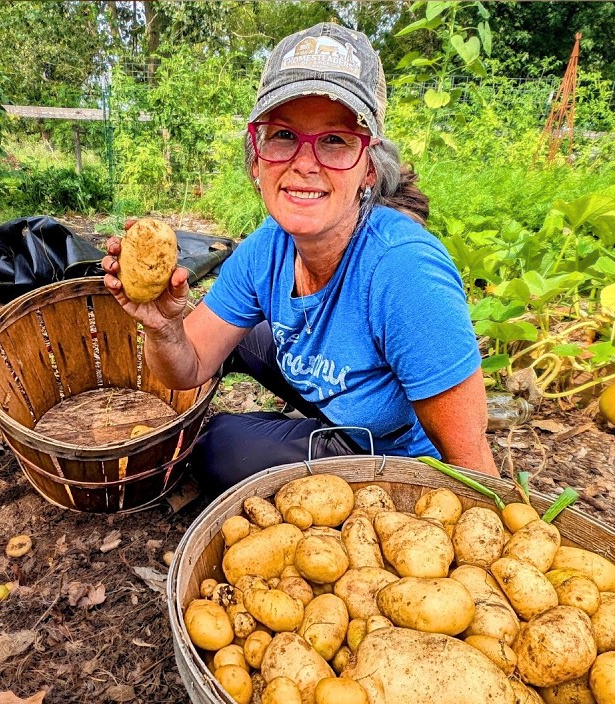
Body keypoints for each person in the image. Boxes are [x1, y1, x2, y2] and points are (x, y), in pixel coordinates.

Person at [101, 22, 497, 494]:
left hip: (389, 453)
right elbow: (185, 367)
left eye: (335, 140)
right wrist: (164, 326)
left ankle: (319, 441)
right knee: (243, 339)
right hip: (336, 396)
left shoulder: (405, 272)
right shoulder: (265, 249)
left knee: (215, 448)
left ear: (369, 168)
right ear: (256, 160)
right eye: (284, 135)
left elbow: (469, 460)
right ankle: (309, 421)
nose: (305, 162)